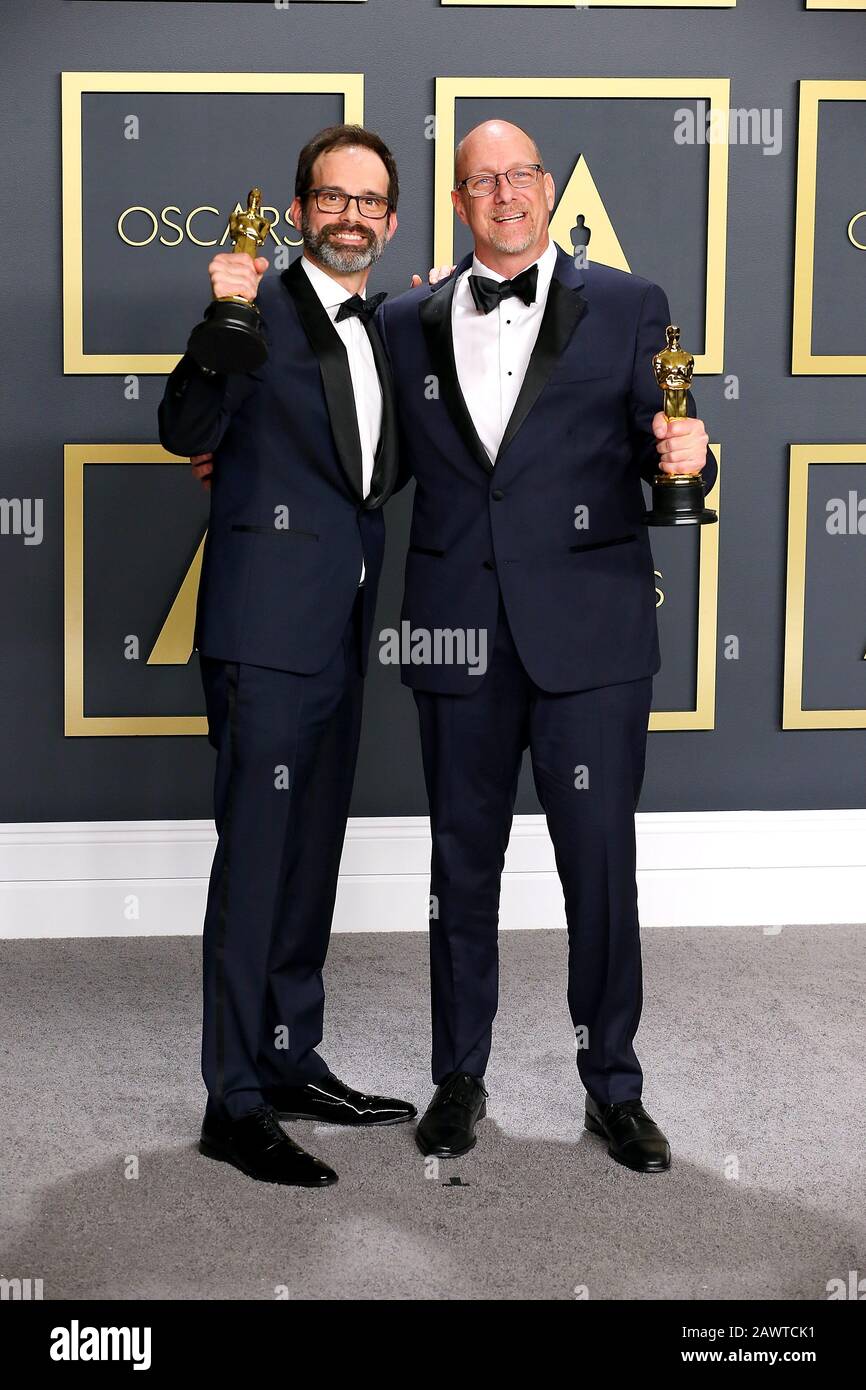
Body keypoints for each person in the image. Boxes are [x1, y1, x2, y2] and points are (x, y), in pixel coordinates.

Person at [376, 119, 718, 1172]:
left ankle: (611, 1084)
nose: (504, 194)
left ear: (543, 186)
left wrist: (694, 463)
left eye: (518, 174)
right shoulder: (404, 319)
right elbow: (364, 451)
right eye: (480, 180)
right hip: (455, 634)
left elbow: (670, 455)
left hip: (590, 640)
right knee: (457, 865)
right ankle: (457, 1076)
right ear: (458, 202)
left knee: (599, 870)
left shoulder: (627, 304)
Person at [158, 124, 415, 1189]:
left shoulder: (392, 328)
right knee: (258, 855)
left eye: (368, 201)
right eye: (331, 197)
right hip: (263, 633)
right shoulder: (252, 303)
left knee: (311, 851)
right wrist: (222, 317)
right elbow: (183, 425)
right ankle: (231, 1100)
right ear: (302, 210)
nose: (349, 215)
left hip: (340, 622)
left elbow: (380, 466)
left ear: (389, 222)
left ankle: (289, 1055)